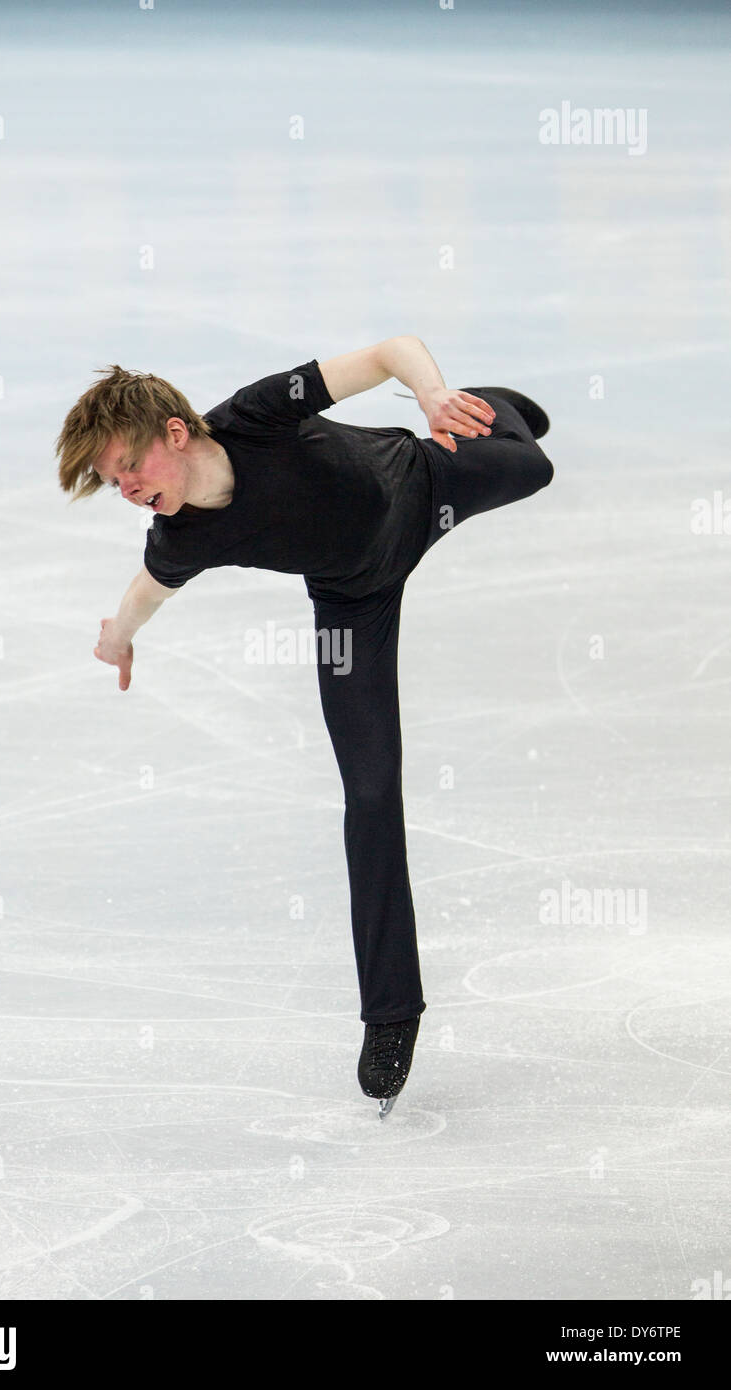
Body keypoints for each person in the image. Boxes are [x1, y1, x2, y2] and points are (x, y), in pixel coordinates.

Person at [55, 337, 554, 1117]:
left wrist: (433, 397)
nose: (125, 488)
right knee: (370, 791)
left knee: (534, 467)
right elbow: (146, 592)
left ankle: (498, 405)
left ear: (176, 435)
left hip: (424, 486)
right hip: (351, 604)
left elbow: (392, 351)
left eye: (130, 467)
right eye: (113, 481)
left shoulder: (257, 416)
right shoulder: (181, 532)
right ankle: (391, 1013)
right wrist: (117, 639)